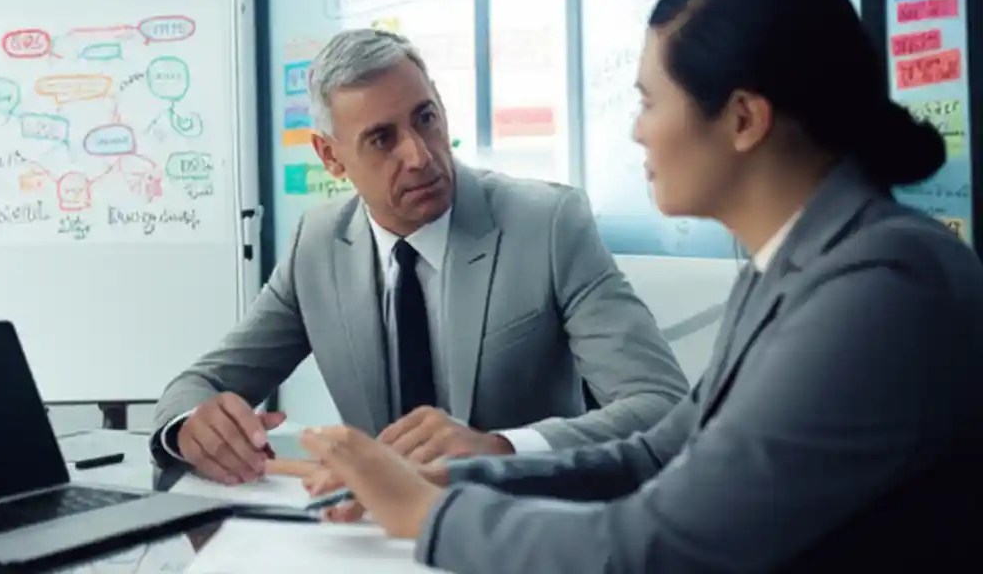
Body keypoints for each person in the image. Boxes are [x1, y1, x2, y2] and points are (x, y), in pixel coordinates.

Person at [298, 0, 983, 572]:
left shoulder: (881, 291)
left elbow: (652, 548)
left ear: (743, 120)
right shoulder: (788, 269)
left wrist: (422, 514)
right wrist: (459, 479)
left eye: (649, 101)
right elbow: (655, 454)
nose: (636, 129)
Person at [152, 27, 688, 484]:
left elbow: (663, 406)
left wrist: (498, 448)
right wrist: (193, 424)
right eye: (382, 139)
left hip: (530, 530)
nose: (419, 155)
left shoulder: (547, 223)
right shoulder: (315, 247)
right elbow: (200, 384)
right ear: (331, 157)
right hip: (384, 539)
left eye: (425, 118)